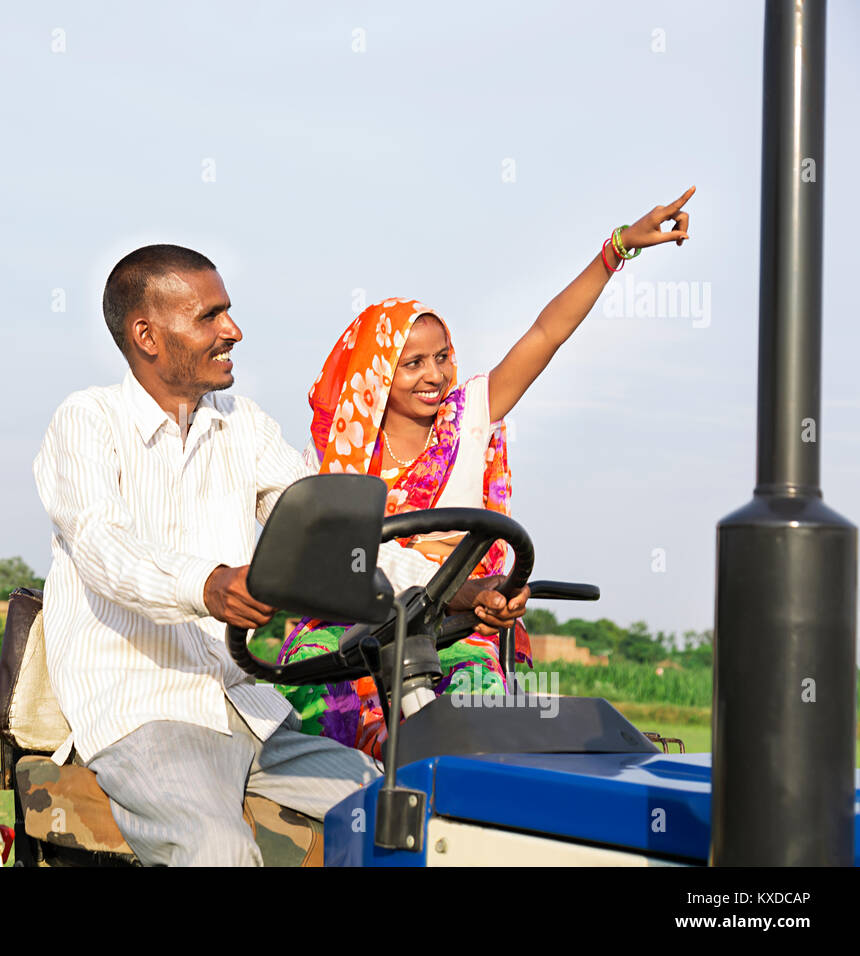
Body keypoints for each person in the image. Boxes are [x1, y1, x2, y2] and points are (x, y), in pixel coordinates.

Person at [31, 244, 525, 866]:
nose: (232, 331)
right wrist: (208, 586)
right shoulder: (86, 422)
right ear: (147, 335)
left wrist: (456, 591)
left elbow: (339, 545)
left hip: (251, 705)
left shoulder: (244, 426)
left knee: (402, 823)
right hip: (145, 711)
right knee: (218, 853)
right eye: (210, 317)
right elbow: (104, 549)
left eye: (227, 313)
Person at [277, 188, 696, 759]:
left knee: (480, 711)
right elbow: (325, 565)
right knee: (324, 700)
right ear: (376, 373)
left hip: (449, 630)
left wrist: (616, 250)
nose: (436, 375)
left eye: (443, 356)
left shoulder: (468, 419)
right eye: (413, 362)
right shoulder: (333, 457)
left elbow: (546, 334)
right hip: (350, 630)